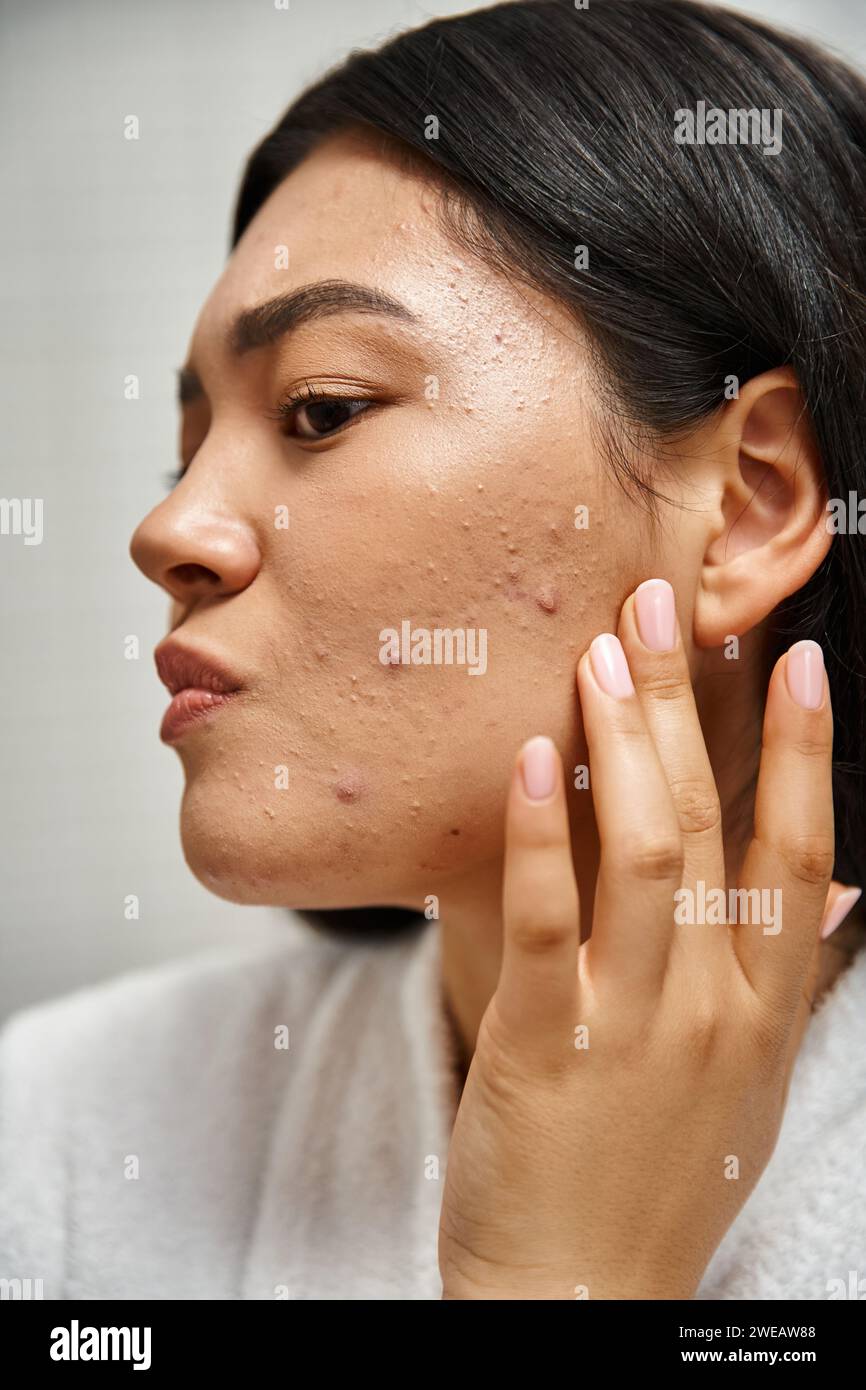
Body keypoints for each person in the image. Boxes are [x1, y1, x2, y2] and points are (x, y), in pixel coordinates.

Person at [2, 0, 865, 1299]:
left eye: (321, 407)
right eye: (183, 453)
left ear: (745, 501)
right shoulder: (62, 1132)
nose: (167, 529)